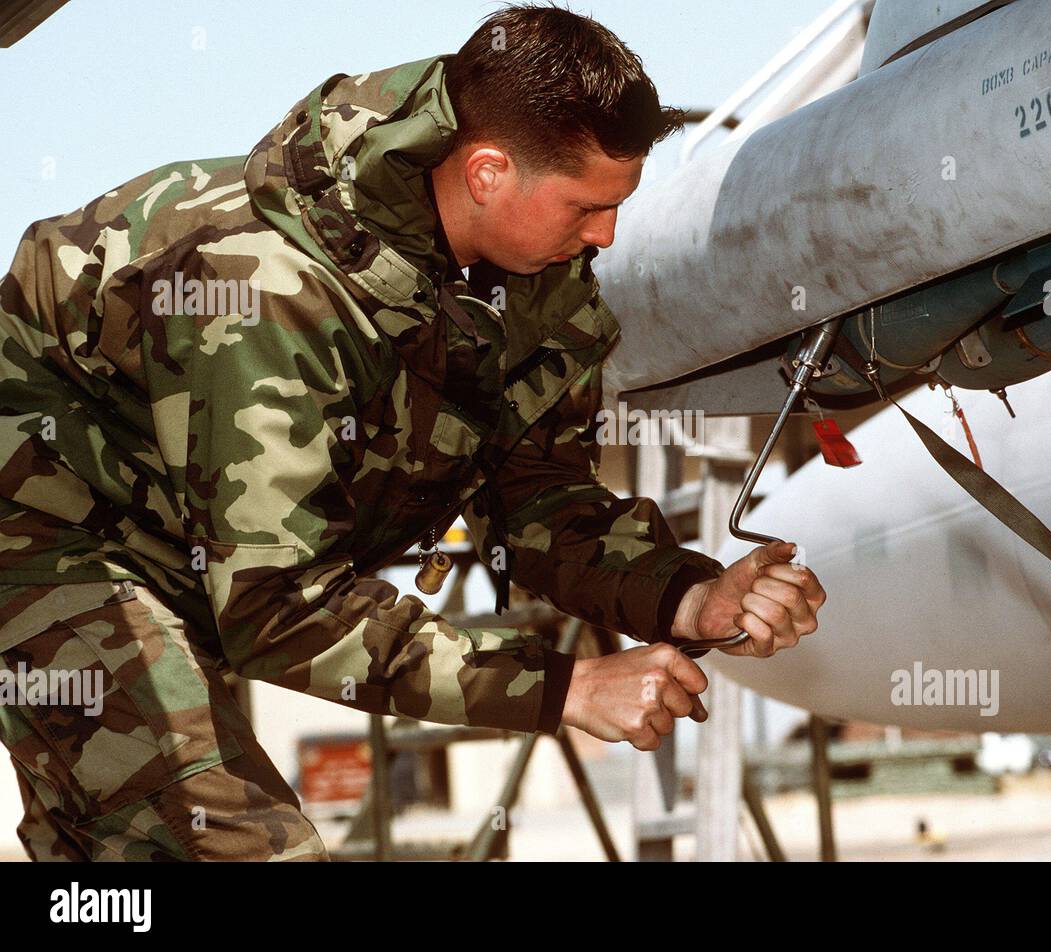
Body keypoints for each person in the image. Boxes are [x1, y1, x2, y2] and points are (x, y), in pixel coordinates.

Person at [0, 3, 826, 861]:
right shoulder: (268, 289)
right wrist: (565, 688)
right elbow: (277, 606)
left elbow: (541, 501)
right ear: (488, 172)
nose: (606, 235)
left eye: (617, 206)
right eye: (583, 206)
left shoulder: (540, 284)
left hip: (188, 555)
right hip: (48, 531)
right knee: (241, 847)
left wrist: (688, 596)